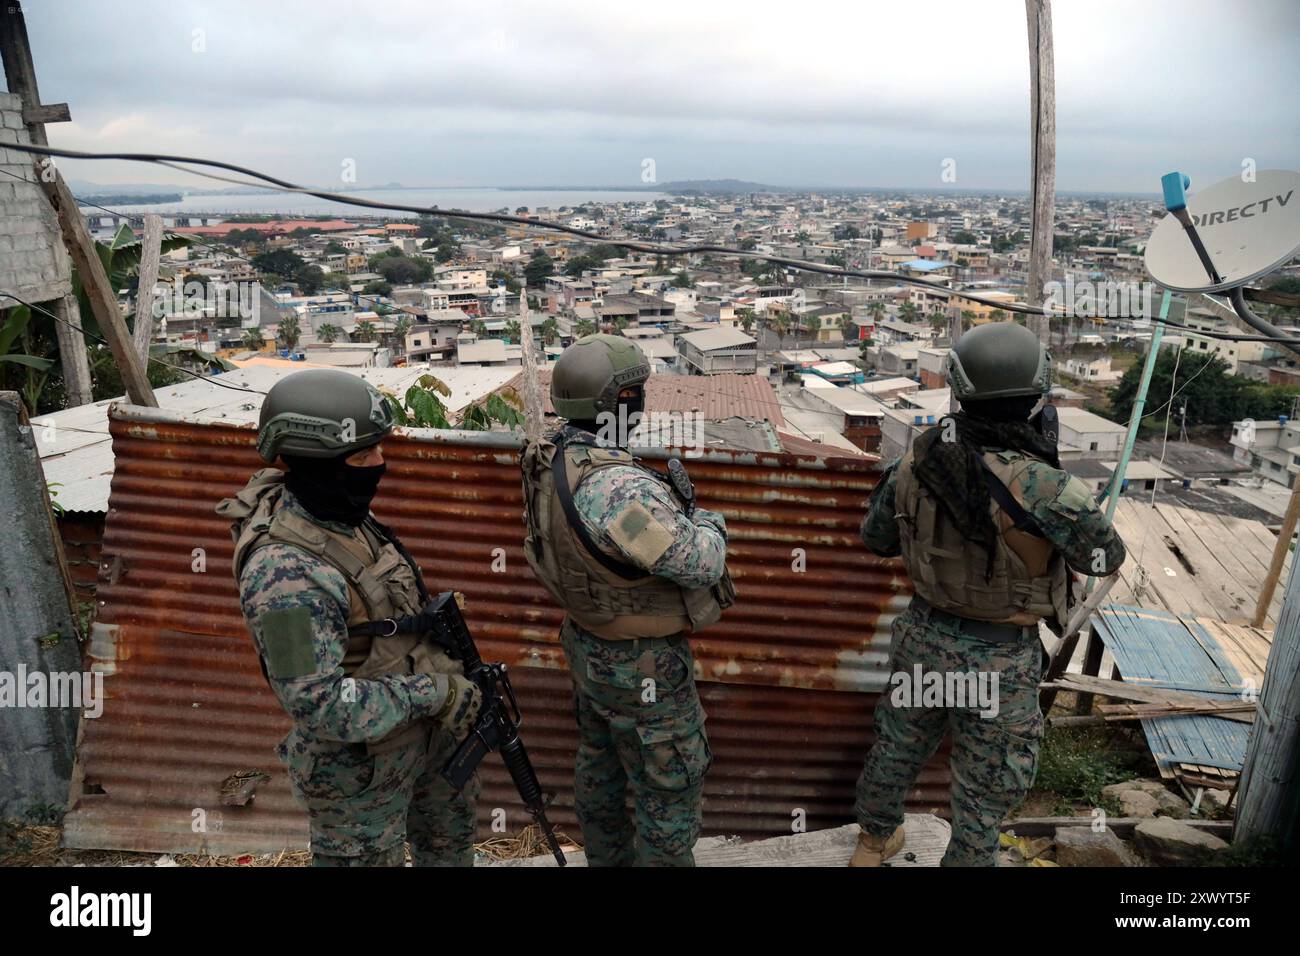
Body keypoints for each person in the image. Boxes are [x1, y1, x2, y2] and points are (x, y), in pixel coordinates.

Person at [852, 321, 1126, 867]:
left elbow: (875, 539)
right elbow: (1103, 559)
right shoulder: (1050, 488)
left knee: (898, 748)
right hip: (1000, 656)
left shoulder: (918, 461)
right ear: (1036, 398)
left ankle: (873, 841)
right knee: (985, 787)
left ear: (960, 390)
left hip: (925, 638)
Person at [216, 368, 482, 866]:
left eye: (379, 449)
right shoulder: (285, 574)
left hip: (422, 745)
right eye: (362, 455)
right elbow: (318, 705)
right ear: (316, 463)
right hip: (358, 773)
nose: (379, 464)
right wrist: (433, 693)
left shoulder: (342, 515)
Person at [519, 334, 735, 866]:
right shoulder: (618, 490)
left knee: (602, 767)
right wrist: (705, 519)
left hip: (589, 644)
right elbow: (700, 563)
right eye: (634, 392)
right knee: (669, 785)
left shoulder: (551, 457)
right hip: (642, 663)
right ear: (612, 402)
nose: (641, 402)